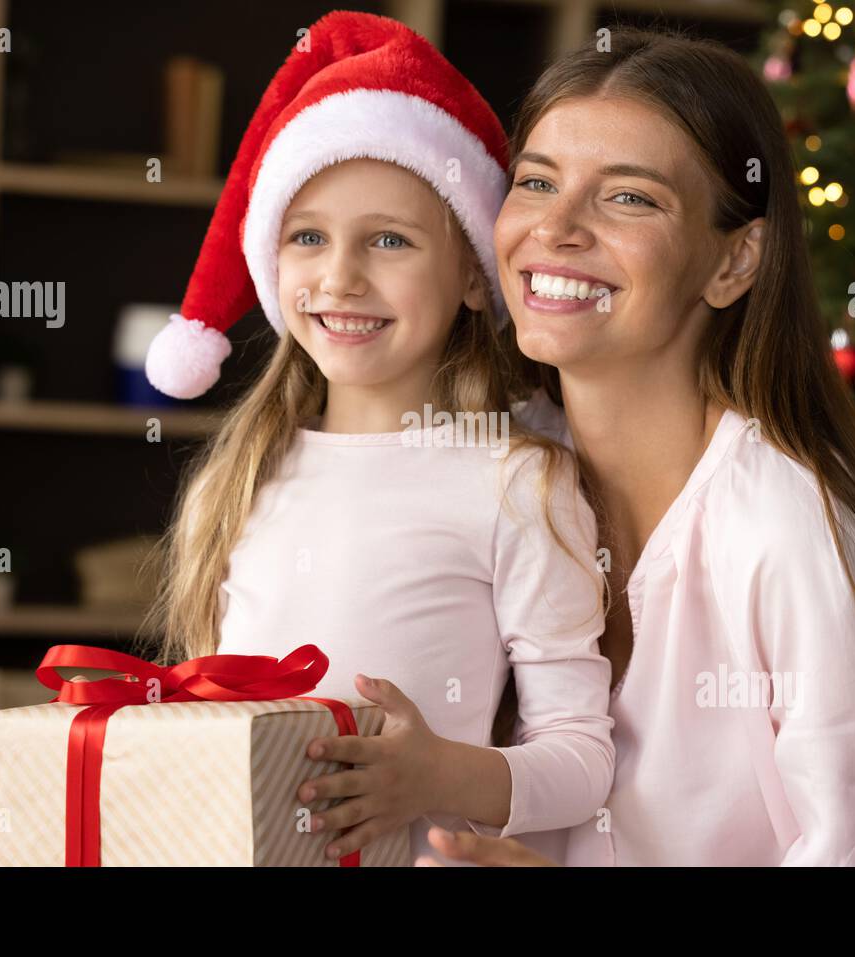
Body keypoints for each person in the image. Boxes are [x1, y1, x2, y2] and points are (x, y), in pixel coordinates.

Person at [420, 27, 855, 866]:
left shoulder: (786, 531)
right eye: (537, 181)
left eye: (629, 197)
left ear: (734, 261)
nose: (555, 227)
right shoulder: (493, 474)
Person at [139, 11, 614, 867]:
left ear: (474, 272)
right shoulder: (240, 476)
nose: (339, 277)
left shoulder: (519, 481)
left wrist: (435, 775)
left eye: (389, 240)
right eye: (308, 237)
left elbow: (581, 757)